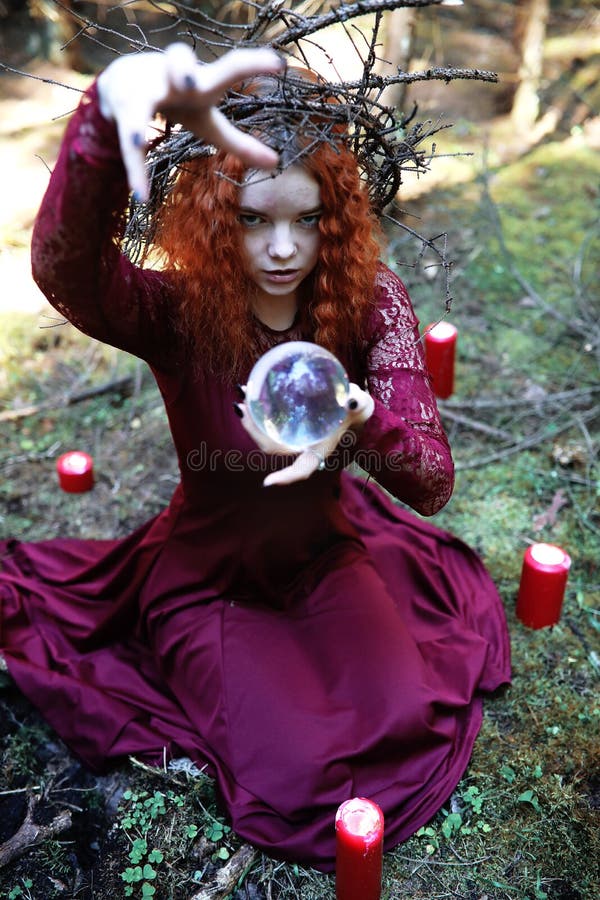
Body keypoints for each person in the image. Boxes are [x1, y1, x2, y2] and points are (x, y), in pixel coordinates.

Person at [0, 42, 510, 870]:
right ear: (214, 213)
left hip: (327, 553)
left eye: (307, 220)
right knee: (298, 775)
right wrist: (108, 108)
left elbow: (433, 481)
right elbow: (69, 273)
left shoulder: (369, 300)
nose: (283, 248)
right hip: (207, 582)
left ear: (335, 218)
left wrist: (363, 420)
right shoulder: (179, 310)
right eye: (252, 218)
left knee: (407, 714)